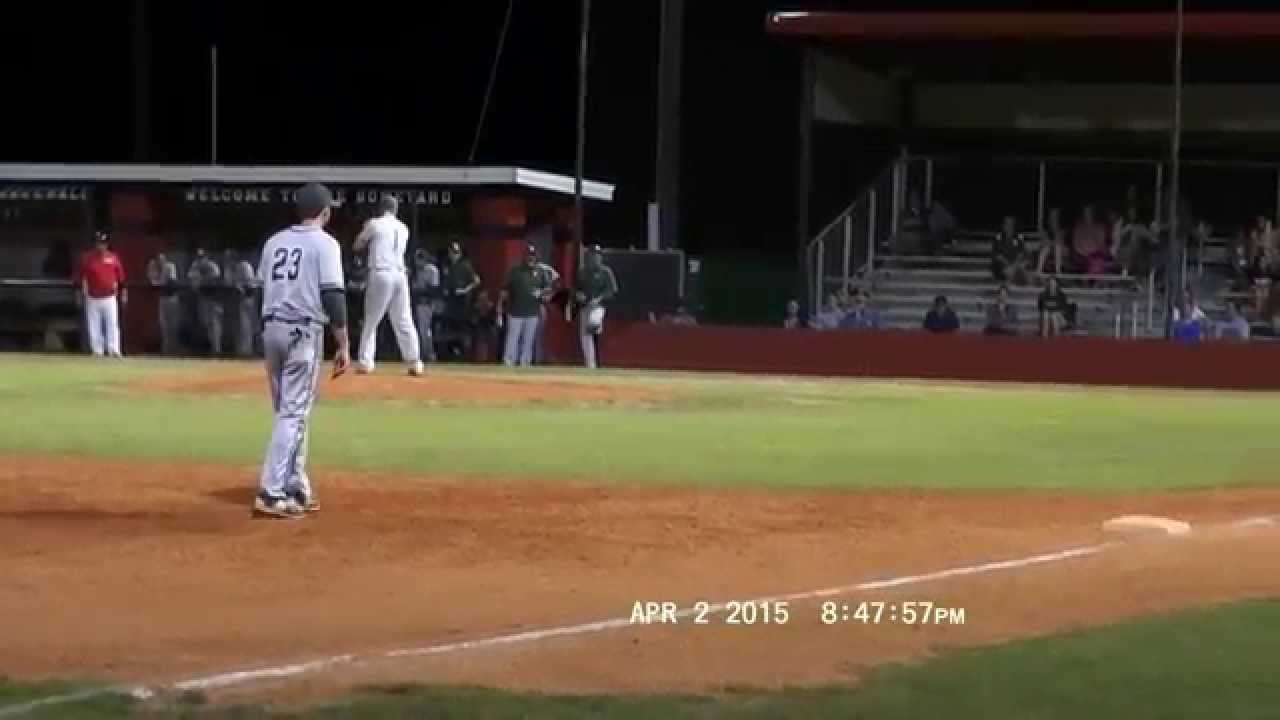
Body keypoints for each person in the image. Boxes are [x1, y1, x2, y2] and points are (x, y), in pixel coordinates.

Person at [253, 182, 351, 519]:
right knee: (294, 413)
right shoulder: (325, 244)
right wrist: (343, 342)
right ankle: (271, 491)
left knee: (289, 411)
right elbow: (333, 297)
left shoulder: (274, 242)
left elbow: (259, 292)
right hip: (302, 332)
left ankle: (295, 483)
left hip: (272, 328)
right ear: (325, 212)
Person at [352, 195, 423, 376]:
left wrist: (364, 231)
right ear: (395, 210)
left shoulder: (375, 224)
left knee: (371, 320)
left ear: (380, 208)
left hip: (381, 272)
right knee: (403, 319)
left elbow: (357, 245)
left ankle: (366, 361)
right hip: (400, 274)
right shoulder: (404, 228)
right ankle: (414, 361)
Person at [76, 231, 127, 357]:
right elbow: (78, 278)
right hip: (92, 297)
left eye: (103, 243)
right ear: (95, 244)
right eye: (99, 243)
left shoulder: (113, 258)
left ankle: (113, 349)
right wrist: (78, 295)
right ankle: (97, 350)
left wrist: (124, 294)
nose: (101, 246)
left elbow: (121, 279)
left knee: (112, 324)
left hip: (109, 297)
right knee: (94, 325)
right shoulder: (87, 258)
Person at [500, 245, 550, 366]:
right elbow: (504, 291)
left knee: (528, 340)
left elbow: (548, 291)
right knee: (513, 338)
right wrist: (500, 308)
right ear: (524, 257)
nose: (531, 259)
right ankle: (509, 361)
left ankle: (525, 362)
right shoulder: (515, 271)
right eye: (529, 256)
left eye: (533, 256)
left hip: (533, 311)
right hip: (515, 311)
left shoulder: (541, 272)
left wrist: (542, 294)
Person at [574, 244, 619, 368]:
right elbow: (577, 288)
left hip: (599, 306)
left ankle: (597, 326)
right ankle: (590, 364)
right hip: (585, 306)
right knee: (584, 336)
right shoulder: (583, 271)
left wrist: (599, 299)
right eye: (592, 255)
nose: (594, 257)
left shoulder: (605, 271)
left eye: (597, 255)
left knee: (593, 321)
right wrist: (579, 295)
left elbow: (612, 290)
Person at [440, 241, 480, 360]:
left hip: (462, 301)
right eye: (452, 252)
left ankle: (463, 354)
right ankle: (451, 353)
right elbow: (445, 282)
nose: (454, 255)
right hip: (450, 300)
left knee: (462, 328)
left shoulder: (465, 265)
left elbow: (476, 281)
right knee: (449, 328)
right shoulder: (447, 265)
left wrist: (465, 290)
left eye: (456, 253)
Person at [187, 247, 224, 354]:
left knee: (214, 324)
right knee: (206, 323)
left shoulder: (212, 266)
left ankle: (217, 350)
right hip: (203, 298)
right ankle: (212, 348)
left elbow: (215, 280)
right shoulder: (195, 265)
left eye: (202, 257)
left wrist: (201, 280)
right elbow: (191, 278)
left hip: (214, 299)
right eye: (199, 257)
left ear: (207, 257)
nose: (200, 259)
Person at [409, 248, 441, 364]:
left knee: (425, 330)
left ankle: (430, 354)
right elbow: (413, 288)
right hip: (419, 303)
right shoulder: (416, 271)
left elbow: (434, 289)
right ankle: (423, 354)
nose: (417, 262)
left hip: (429, 304)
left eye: (419, 260)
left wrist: (421, 291)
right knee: (420, 330)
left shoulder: (432, 270)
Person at [146, 250, 181, 355]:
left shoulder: (170, 266)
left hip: (173, 298)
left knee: (174, 325)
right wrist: (152, 268)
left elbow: (170, 280)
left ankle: (175, 349)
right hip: (163, 298)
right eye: (158, 259)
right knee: (164, 325)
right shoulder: (153, 266)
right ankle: (166, 350)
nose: (160, 261)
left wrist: (161, 276)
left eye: (162, 259)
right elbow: (153, 282)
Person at [228, 251, 259, 357]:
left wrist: (241, 290)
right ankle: (242, 350)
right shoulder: (234, 267)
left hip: (247, 299)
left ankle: (246, 351)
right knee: (241, 326)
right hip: (240, 300)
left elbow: (250, 285)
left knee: (245, 326)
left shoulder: (244, 266)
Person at [1072, 205, 1111, 275]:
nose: (1088, 214)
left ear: (1093, 213)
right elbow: (1076, 244)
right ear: (1083, 213)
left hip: (1096, 257)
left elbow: (1101, 244)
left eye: (1090, 211)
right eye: (1086, 211)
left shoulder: (1099, 227)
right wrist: (1084, 254)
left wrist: (1092, 254)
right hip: (1082, 257)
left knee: (1099, 261)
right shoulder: (1078, 226)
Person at [991, 216, 1029, 285]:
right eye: (1007, 224)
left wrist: (1013, 267)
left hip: (1015, 266)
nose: (1009, 226)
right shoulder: (998, 238)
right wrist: (1009, 266)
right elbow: (998, 255)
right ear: (1003, 226)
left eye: (1011, 224)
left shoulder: (1019, 237)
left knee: (1023, 267)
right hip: (1003, 266)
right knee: (1003, 270)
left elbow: (1022, 254)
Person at [1036, 208, 1067, 275]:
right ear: (1049, 216)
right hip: (1048, 247)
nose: (1054, 217)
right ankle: (1039, 270)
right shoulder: (1044, 227)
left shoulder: (1062, 227)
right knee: (1046, 248)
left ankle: (1058, 271)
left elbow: (1059, 239)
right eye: (1052, 215)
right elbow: (1045, 239)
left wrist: (1056, 229)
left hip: (1059, 248)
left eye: (1056, 215)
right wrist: (1051, 243)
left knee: (1058, 247)